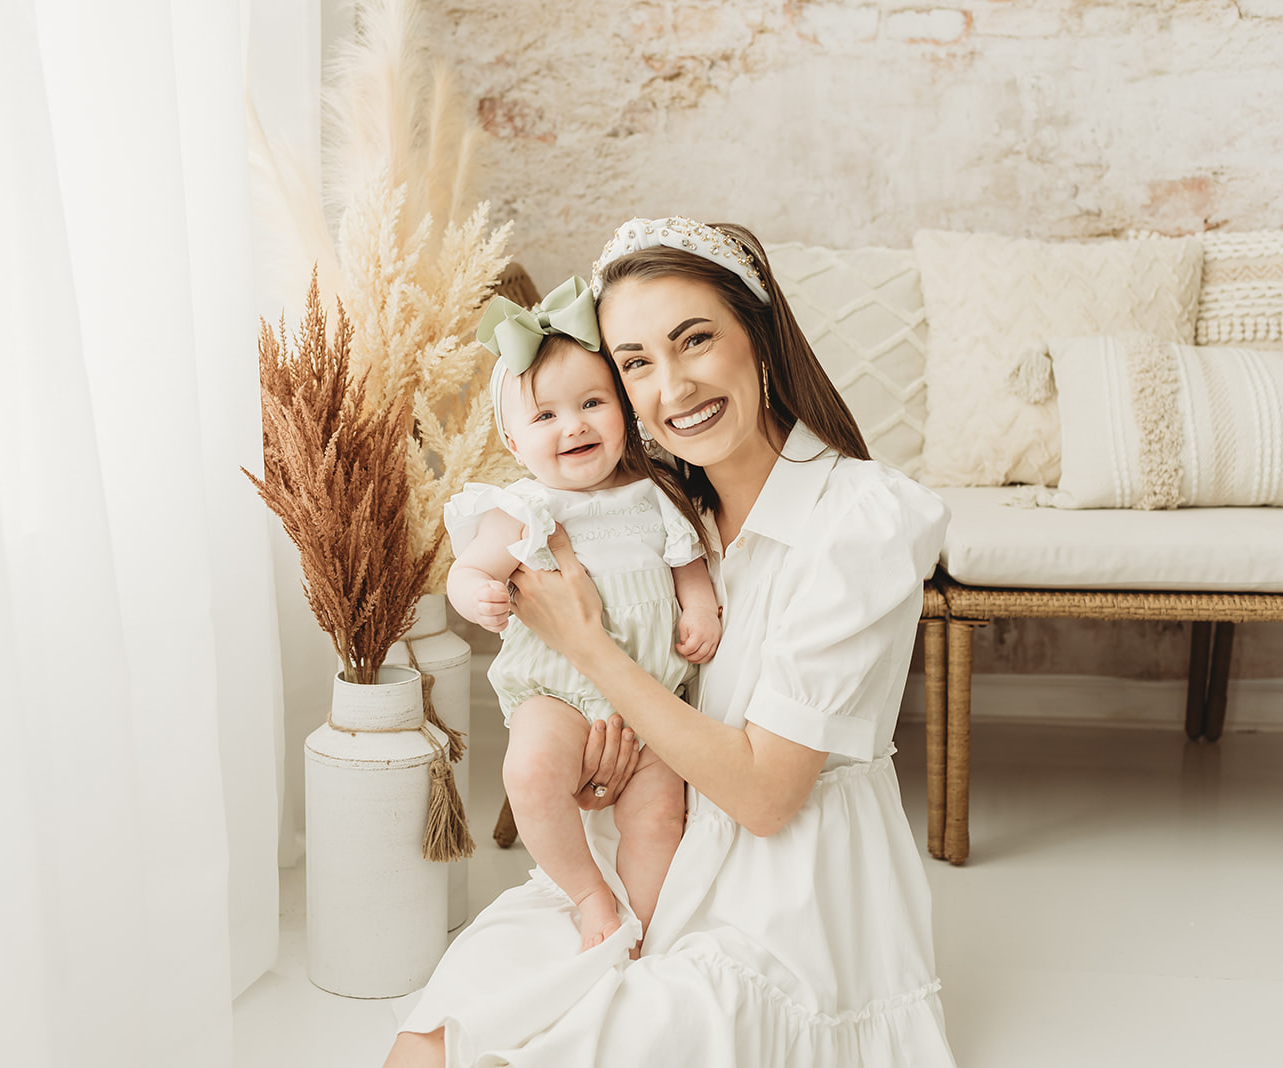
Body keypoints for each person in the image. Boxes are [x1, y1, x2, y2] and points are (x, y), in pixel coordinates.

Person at [387, 217, 956, 1067]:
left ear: (758, 337)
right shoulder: (655, 507)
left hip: (783, 893)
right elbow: (644, 710)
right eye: (635, 364)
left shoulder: (860, 521)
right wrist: (595, 762)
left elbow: (765, 796)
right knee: (434, 1038)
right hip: (649, 842)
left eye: (695, 340)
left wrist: (593, 654)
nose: (673, 387)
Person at [444, 275, 722, 953]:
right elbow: (470, 568)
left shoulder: (654, 494)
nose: (573, 425)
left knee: (658, 816)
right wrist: (472, 591)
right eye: (545, 417)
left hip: (652, 698)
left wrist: (699, 607)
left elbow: (688, 562)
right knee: (529, 774)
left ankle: (650, 930)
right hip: (555, 692)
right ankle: (589, 893)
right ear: (514, 445)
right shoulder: (525, 507)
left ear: (623, 413)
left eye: (592, 403)